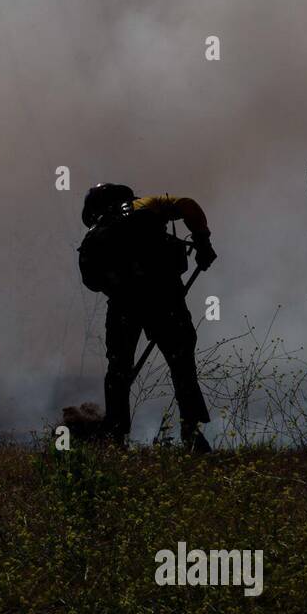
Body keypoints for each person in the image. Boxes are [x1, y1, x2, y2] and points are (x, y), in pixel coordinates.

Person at [78, 183, 217, 452]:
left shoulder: (97, 228)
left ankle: (116, 438)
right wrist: (202, 242)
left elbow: (92, 281)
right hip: (165, 298)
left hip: (123, 305)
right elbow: (188, 203)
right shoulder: (145, 205)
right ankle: (192, 432)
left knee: (118, 371)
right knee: (182, 366)